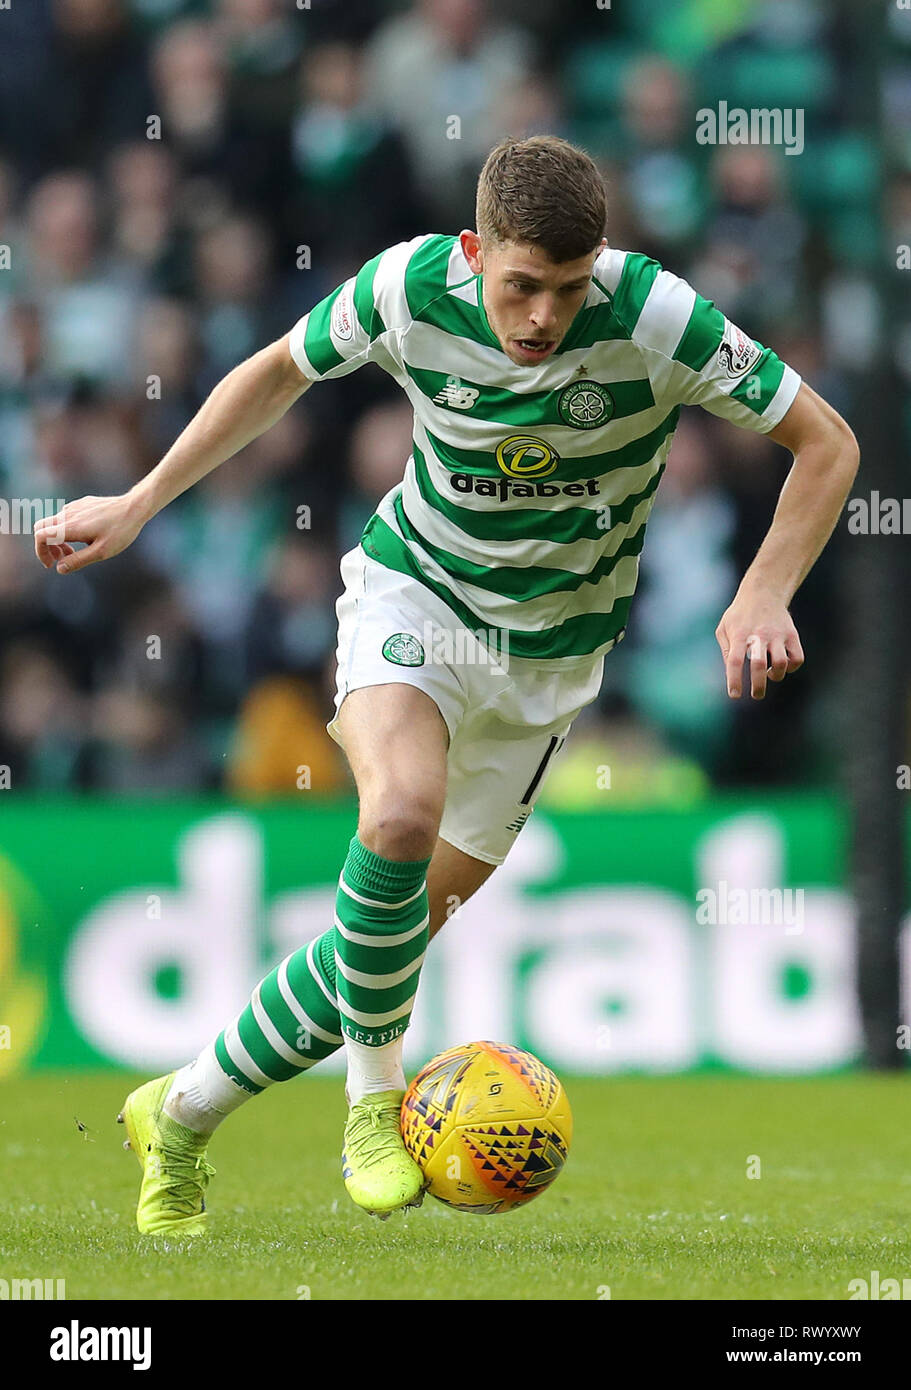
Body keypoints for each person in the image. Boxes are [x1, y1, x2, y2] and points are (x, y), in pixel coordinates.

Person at [34, 135, 859, 1235]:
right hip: (413, 596)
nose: (540, 319)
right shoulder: (409, 285)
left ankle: (179, 1109)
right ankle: (374, 1107)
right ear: (474, 254)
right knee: (399, 817)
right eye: (519, 286)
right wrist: (138, 501)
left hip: (550, 665)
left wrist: (762, 589)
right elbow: (278, 368)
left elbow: (827, 442)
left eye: (567, 291)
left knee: (378, 946)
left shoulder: (658, 318)